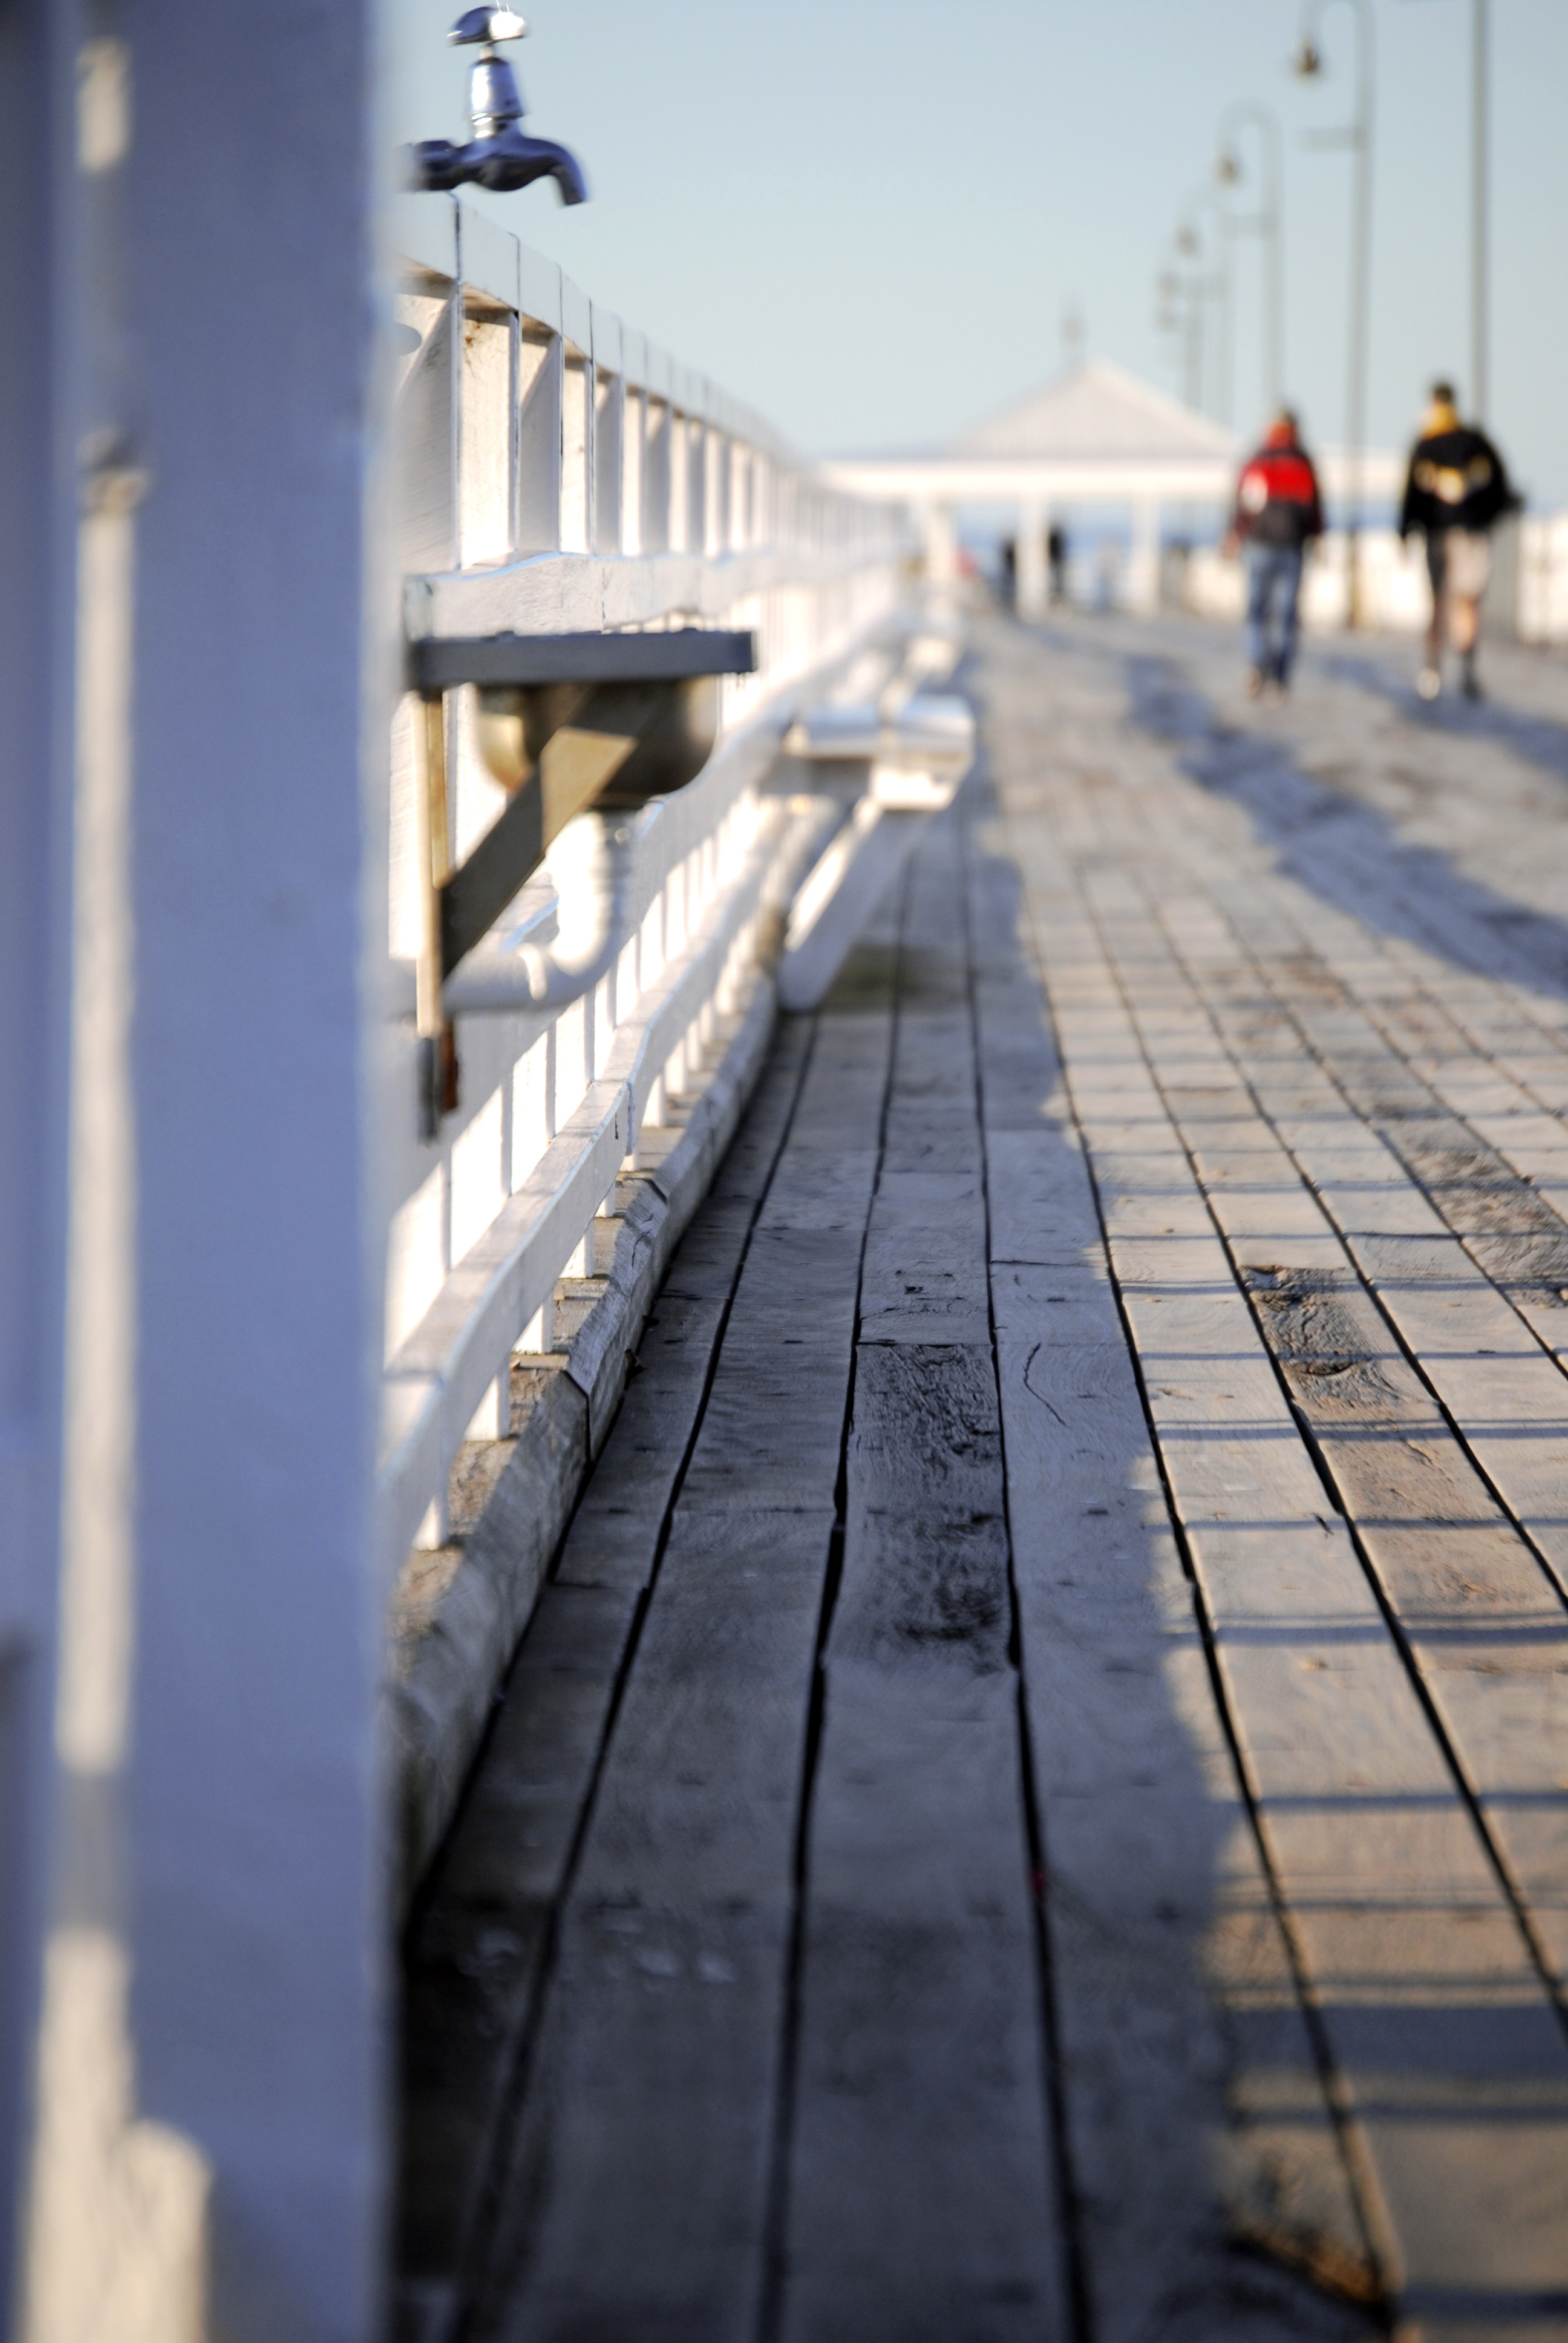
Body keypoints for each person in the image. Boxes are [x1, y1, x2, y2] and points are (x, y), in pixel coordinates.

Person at [1399, 382, 1515, 701]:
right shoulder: (1475, 442)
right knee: (1467, 603)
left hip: (1439, 534)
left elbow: (1411, 496)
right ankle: (1466, 668)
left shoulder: (1426, 445)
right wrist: (1486, 517)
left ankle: (1432, 671)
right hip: (1472, 534)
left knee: (1439, 601)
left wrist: (1405, 530)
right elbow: (1500, 486)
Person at [1223, 410, 1324, 701]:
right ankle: (1280, 678)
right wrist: (1318, 536)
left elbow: (1244, 504)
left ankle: (1258, 663)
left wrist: (1235, 534)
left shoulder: (1258, 459)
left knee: (1257, 610)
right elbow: (1314, 506)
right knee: (1287, 614)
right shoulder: (1302, 462)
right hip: (1291, 546)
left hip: (1260, 544)